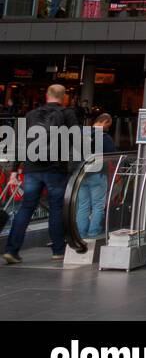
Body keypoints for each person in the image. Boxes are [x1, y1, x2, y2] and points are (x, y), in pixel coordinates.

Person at [3, 84, 79, 265]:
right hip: (56, 169)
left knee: (26, 208)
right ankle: (58, 251)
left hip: (31, 168)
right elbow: (76, 140)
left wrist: (14, 170)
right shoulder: (67, 113)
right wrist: (74, 164)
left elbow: (20, 143)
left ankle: (12, 250)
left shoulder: (30, 115)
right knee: (56, 208)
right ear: (64, 97)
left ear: (47, 95)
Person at [76, 113, 117, 239]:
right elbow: (114, 155)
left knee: (82, 205)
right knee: (98, 205)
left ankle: (81, 234)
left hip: (81, 174)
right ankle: (93, 234)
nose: (108, 128)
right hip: (98, 174)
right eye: (108, 125)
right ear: (104, 121)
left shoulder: (81, 132)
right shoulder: (104, 137)